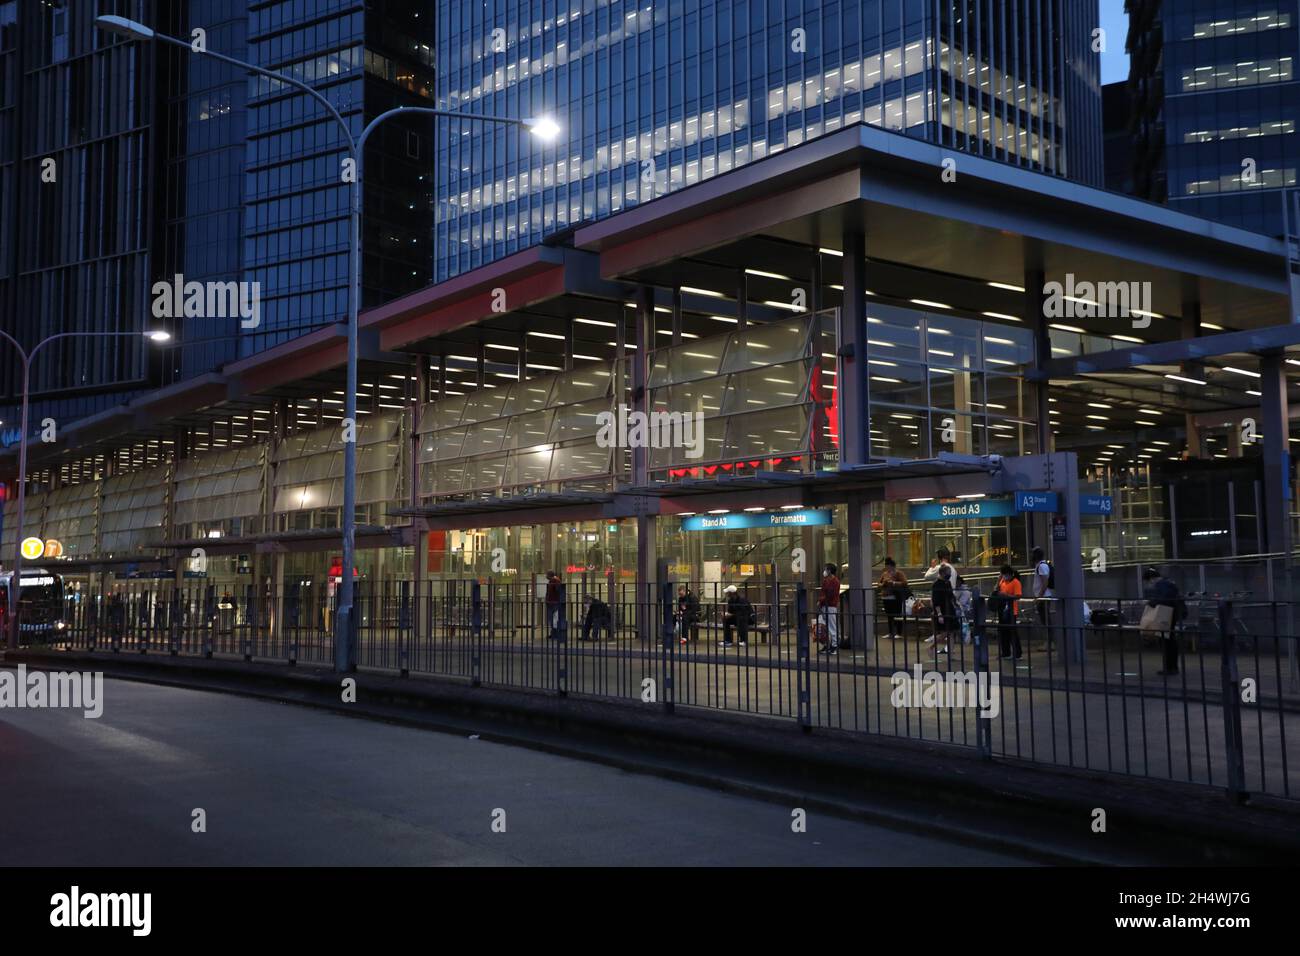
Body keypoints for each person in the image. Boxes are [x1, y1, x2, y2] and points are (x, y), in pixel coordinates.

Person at [1143, 566, 1186, 677]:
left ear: (1151, 579)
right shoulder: (1168, 583)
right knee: (1170, 641)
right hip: (1173, 614)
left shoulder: (1162, 585)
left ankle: (1170, 668)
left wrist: (1151, 603)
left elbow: (1164, 599)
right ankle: (1172, 667)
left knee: (1167, 642)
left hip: (1168, 615)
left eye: (1148, 582)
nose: (1149, 585)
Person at [991, 564, 1023, 660]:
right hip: (1002, 608)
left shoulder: (1016, 582)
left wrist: (1006, 595)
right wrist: (998, 580)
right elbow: (996, 589)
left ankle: (1017, 653)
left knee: (1012, 631)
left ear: (1009, 574)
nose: (1003, 576)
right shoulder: (1002, 581)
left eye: (1004, 574)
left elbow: (1018, 596)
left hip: (1011, 609)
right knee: (1003, 631)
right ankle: (1006, 652)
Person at [878, 557, 910, 640]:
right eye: (886, 566)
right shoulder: (884, 574)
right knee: (889, 615)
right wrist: (883, 584)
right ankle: (890, 632)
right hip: (886, 597)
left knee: (897, 614)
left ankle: (899, 632)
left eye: (889, 566)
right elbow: (879, 583)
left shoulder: (899, 573)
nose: (887, 568)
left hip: (895, 597)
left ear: (892, 566)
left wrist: (894, 583)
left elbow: (905, 583)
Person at [930, 564, 958, 655]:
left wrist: (955, 603)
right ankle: (932, 646)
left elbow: (951, 596)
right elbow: (936, 600)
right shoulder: (937, 584)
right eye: (948, 573)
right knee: (946, 632)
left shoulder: (947, 583)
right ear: (942, 573)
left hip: (950, 609)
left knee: (952, 632)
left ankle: (950, 651)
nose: (949, 575)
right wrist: (939, 614)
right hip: (943, 609)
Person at [1030, 547, 1054, 651]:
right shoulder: (1041, 566)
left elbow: (1045, 583)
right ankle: (1048, 643)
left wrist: (1039, 597)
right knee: (1045, 620)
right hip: (1043, 596)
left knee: (1046, 621)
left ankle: (1049, 643)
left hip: (1044, 597)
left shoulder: (1041, 566)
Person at [817, 563, 841, 653]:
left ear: (830, 571)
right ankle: (827, 645)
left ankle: (834, 645)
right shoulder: (826, 580)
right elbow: (824, 592)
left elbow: (830, 594)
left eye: (826, 569)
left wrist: (821, 600)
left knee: (831, 626)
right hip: (824, 605)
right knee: (825, 627)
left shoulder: (835, 582)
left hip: (830, 606)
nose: (824, 571)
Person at [544, 570, 563, 641]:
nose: (546, 576)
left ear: (549, 575)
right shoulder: (553, 581)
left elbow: (557, 591)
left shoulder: (555, 581)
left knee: (554, 619)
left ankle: (555, 633)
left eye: (547, 575)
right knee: (553, 619)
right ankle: (554, 633)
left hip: (553, 603)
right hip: (552, 602)